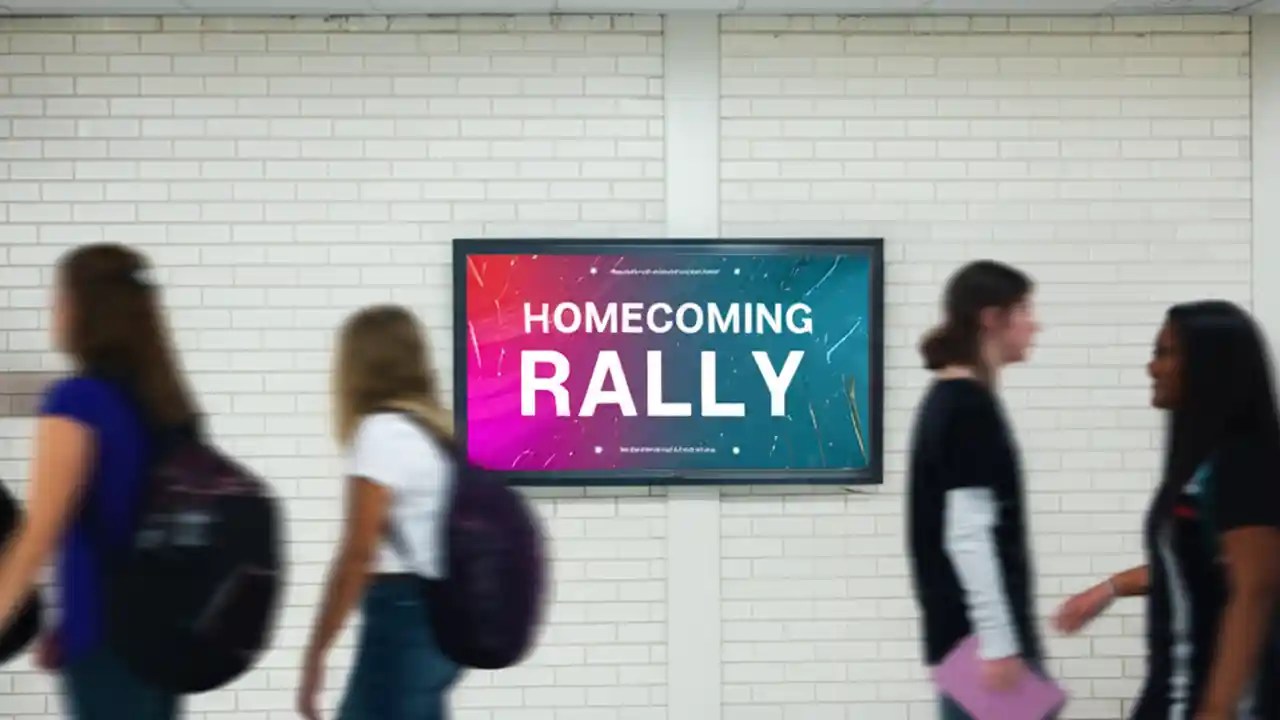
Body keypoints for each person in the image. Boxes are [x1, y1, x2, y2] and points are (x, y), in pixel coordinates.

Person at [1056, 301, 1280, 720]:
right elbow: (1195, 564)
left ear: (1210, 366)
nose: (1152, 368)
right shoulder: (1202, 466)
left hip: (1211, 703)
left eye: (1165, 353)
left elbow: (1256, 587)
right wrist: (1108, 589)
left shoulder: (1242, 463)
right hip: (1172, 693)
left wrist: (1215, 710)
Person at [0, 244, 197, 718]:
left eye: (59, 298)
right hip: (165, 635)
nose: (54, 310)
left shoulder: (77, 401)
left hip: (107, 639)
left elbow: (39, 534)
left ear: (82, 309)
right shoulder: (166, 406)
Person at [298, 305, 460, 720]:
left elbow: (358, 554)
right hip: (443, 616)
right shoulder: (438, 433)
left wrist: (317, 649)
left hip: (402, 617)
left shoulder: (381, 433)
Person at [906, 260, 1044, 720]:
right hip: (980, 649)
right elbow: (968, 535)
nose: (1034, 323)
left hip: (963, 643)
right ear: (991, 317)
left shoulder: (947, 401)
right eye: (1023, 309)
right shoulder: (967, 407)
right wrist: (1000, 643)